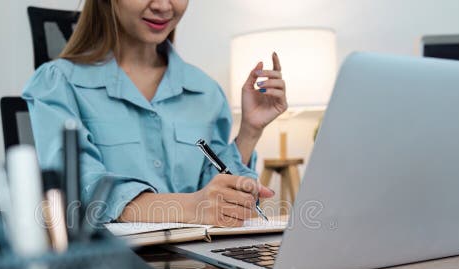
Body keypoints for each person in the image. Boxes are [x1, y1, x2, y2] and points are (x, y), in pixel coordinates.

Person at [22, 0, 287, 227]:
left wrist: (250, 133)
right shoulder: (57, 83)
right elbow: (80, 188)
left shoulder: (205, 92)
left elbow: (211, 185)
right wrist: (192, 207)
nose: (162, 5)